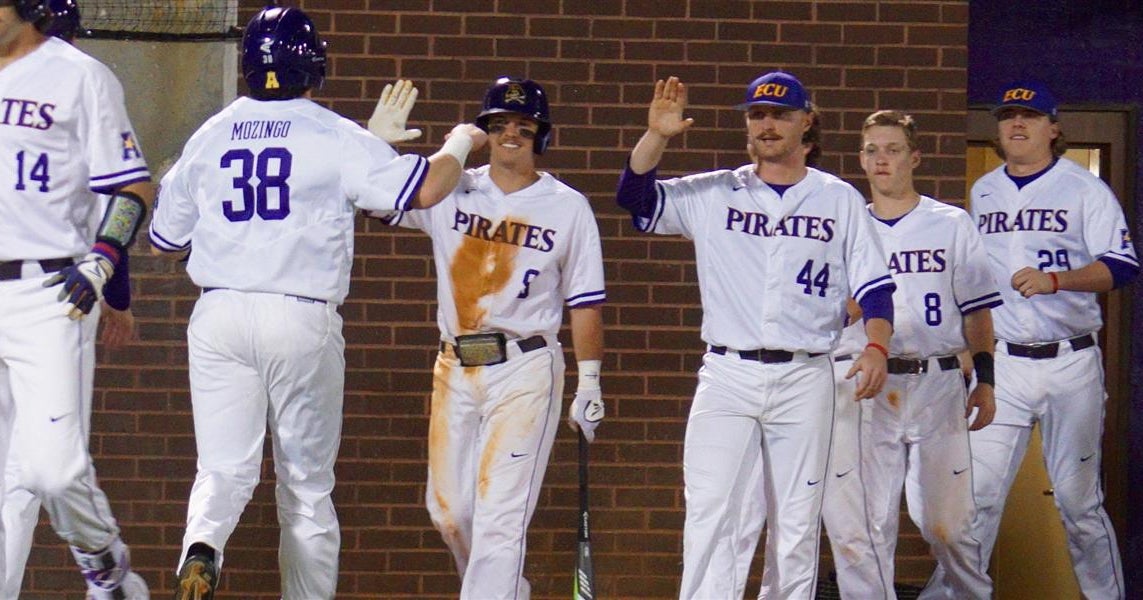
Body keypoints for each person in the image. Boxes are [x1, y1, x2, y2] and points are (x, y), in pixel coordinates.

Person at [148, 5, 486, 600]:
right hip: (299, 315)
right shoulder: (333, 132)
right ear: (313, 67)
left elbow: (164, 241)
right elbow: (428, 188)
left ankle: (202, 545)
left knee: (222, 468)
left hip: (219, 313)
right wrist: (462, 140)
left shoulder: (211, 132)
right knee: (305, 487)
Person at [616, 71, 894, 598]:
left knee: (796, 523)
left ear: (806, 122)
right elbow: (634, 198)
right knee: (710, 513)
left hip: (806, 375)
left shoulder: (838, 198)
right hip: (727, 373)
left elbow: (876, 289)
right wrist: (656, 137)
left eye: (780, 114)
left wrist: (877, 345)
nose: (767, 124)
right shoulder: (716, 191)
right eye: (757, 114)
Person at [371, 76, 606, 599]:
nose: (511, 135)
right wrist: (379, 146)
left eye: (524, 125)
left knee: (502, 518)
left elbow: (586, 300)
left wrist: (589, 381)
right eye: (499, 125)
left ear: (541, 135)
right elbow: (379, 201)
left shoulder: (567, 206)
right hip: (455, 365)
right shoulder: (451, 187)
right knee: (450, 514)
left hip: (525, 367)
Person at [929, 81, 1139, 599]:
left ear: (1053, 128)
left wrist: (1058, 280)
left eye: (1030, 116)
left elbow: (1122, 266)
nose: (1017, 124)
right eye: (1008, 116)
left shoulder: (1084, 188)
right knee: (974, 499)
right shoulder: (984, 191)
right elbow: (974, 280)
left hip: (1070, 360)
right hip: (1004, 362)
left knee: (1078, 503)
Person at [0, 0, 154, 597]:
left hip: (48, 292)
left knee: (53, 472)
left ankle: (105, 565)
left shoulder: (80, 76)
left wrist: (105, 260)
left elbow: (132, 186)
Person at [731, 143, 892, 600]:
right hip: (755, 375)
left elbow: (870, 297)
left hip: (831, 377)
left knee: (839, 519)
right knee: (745, 514)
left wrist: (834, 324)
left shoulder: (843, 215)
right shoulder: (756, 227)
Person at [851, 110, 1000, 599]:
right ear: (862, 159)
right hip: (870, 386)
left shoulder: (950, 223)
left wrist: (986, 379)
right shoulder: (848, 225)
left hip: (938, 380)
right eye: (872, 150)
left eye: (892, 149)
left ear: (914, 157)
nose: (881, 159)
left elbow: (977, 312)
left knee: (948, 526)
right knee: (868, 527)